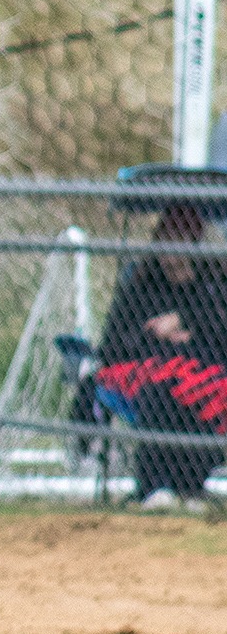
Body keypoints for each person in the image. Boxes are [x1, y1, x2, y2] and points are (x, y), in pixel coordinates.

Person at [93, 200, 227, 511]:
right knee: (163, 388)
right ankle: (155, 485)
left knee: (200, 389)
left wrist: (186, 323)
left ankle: (190, 487)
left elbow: (219, 336)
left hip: (199, 370)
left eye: (181, 241)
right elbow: (113, 343)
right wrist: (156, 333)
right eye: (166, 240)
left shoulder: (214, 286)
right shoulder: (141, 283)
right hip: (148, 367)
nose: (171, 253)